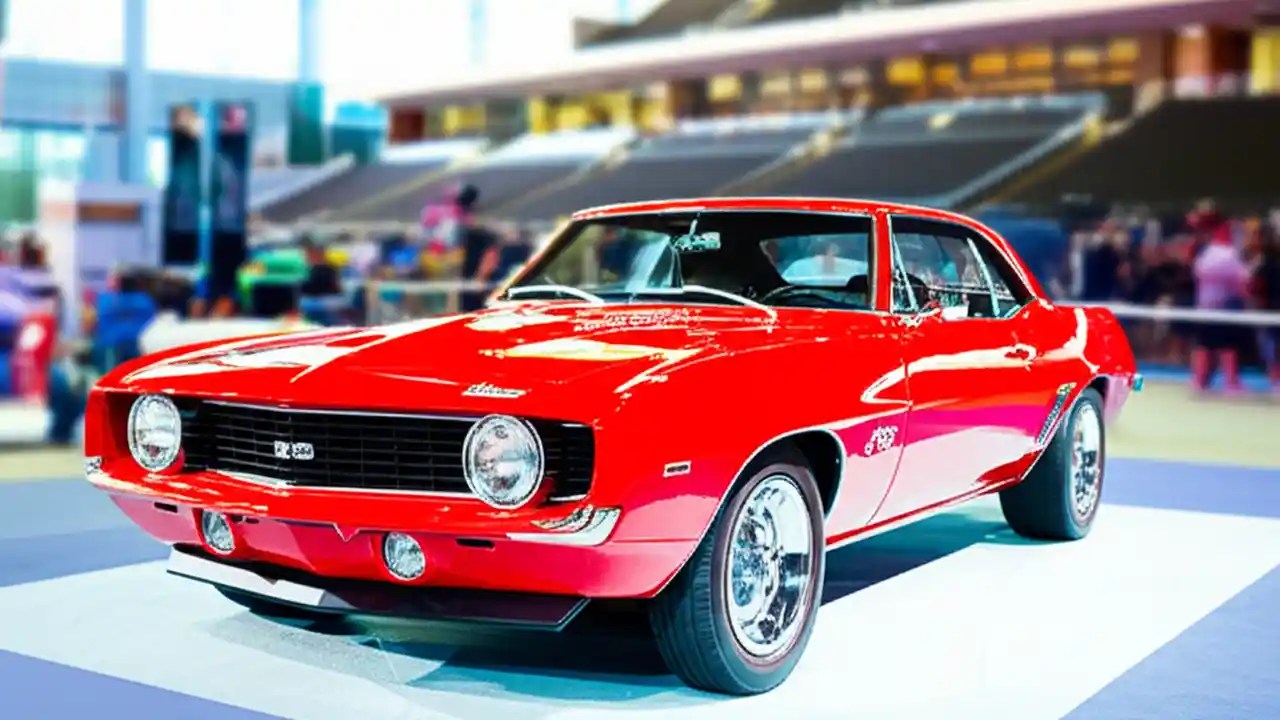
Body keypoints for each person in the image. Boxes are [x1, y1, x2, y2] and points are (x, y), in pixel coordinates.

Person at [1190, 216, 1250, 393]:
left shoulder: (1206, 254)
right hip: (1223, 307)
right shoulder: (1229, 254)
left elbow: (1198, 272)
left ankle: (1199, 381)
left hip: (1204, 307)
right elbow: (1243, 279)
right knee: (1227, 347)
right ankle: (1230, 382)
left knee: (1204, 345)